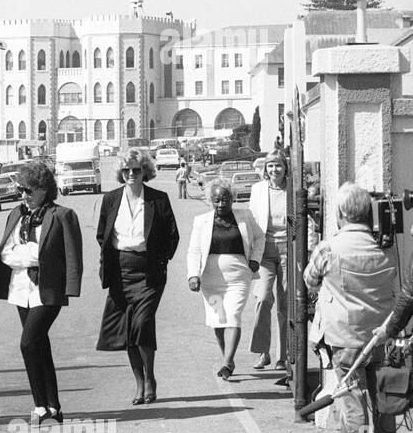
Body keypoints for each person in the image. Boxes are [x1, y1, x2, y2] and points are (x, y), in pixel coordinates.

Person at [306, 183, 397, 433]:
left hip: (345, 339)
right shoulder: (381, 249)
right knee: (383, 402)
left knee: (353, 407)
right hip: (379, 339)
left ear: (341, 213)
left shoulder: (330, 248)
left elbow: (309, 279)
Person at [0, 161, 83, 423]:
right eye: (21, 189)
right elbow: (5, 253)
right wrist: (31, 255)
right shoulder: (16, 215)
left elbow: (69, 255)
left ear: (43, 189)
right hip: (21, 290)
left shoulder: (62, 215)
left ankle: (39, 406)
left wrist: (26, 254)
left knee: (28, 343)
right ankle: (52, 407)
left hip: (48, 290)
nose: (23, 194)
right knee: (40, 345)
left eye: (29, 190)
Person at [95, 148, 180, 404]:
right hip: (120, 271)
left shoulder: (158, 199)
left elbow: (172, 234)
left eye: (137, 170)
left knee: (142, 323)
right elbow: (102, 234)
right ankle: (139, 382)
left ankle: (151, 377)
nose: (131, 174)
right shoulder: (111, 199)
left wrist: (161, 259)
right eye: (127, 170)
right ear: (121, 173)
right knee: (128, 330)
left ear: (145, 172)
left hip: (149, 273)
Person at [187, 179, 264, 378]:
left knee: (233, 316)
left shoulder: (245, 216)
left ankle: (228, 362)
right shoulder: (201, 221)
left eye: (226, 199)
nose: (221, 204)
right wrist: (193, 275)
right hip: (211, 281)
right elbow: (194, 250)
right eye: (217, 200)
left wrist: (255, 259)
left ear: (233, 199)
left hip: (238, 278)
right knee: (219, 320)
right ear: (211, 200)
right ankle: (226, 359)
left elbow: (259, 238)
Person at [249, 151, 290, 375]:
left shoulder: (291, 189)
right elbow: (252, 221)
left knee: (285, 304)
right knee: (263, 298)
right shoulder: (258, 190)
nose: (275, 170)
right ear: (265, 169)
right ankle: (262, 351)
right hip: (264, 250)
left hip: (287, 249)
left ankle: (282, 356)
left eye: (278, 165)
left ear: (285, 167)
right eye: (271, 166)